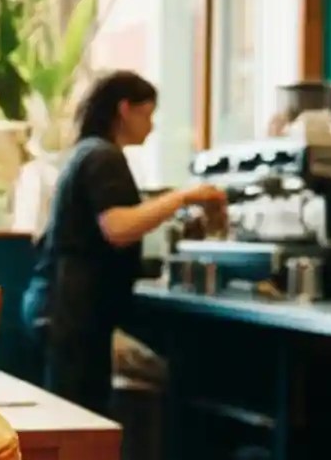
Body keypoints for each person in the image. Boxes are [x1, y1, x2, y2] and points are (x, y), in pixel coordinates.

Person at [20, 71, 225, 415]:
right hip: (73, 311)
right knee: (80, 423)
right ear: (125, 109)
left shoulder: (86, 153)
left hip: (58, 305)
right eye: (148, 114)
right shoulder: (104, 156)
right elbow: (118, 227)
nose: (152, 125)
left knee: (76, 417)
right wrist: (184, 196)